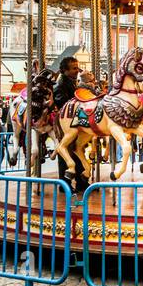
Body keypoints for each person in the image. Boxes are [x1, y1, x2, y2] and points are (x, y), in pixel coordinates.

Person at [50, 56, 85, 189]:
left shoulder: (73, 82)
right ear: (65, 70)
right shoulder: (61, 85)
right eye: (74, 68)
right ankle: (65, 183)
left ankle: (81, 180)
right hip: (66, 123)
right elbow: (63, 104)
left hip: (75, 122)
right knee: (66, 153)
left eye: (77, 67)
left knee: (77, 151)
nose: (77, 70)